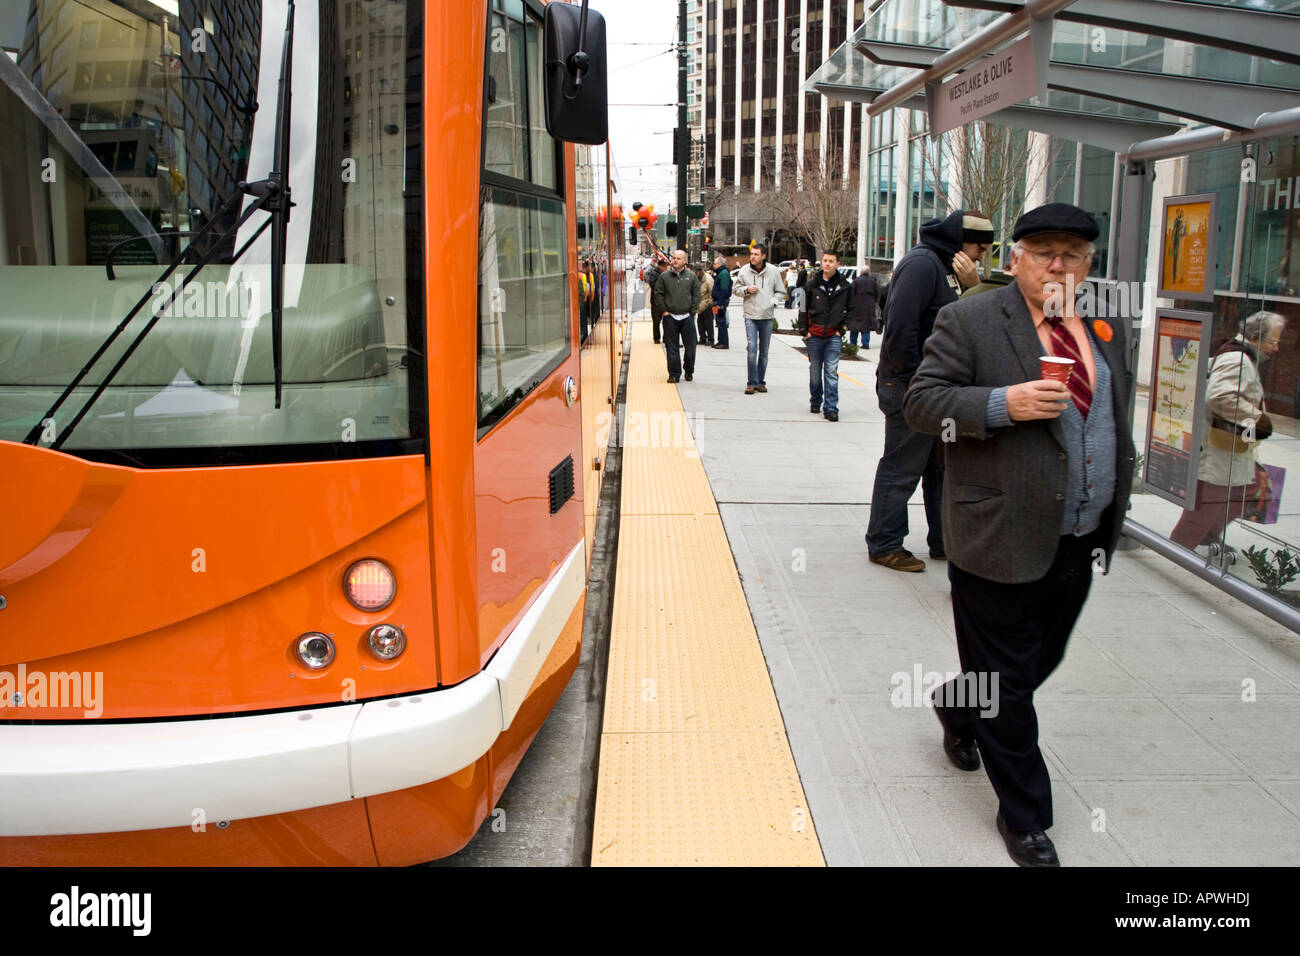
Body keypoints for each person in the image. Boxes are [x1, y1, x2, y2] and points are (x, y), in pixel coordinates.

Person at [904, 202, 1135, 867]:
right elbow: (921, 402)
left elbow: (1113, 415)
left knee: (1039, 662)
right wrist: (1004, 404)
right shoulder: (971, 318)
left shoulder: (1107, 326)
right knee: (1007, 686)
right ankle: (1026, 816)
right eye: (1044, 252)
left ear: (1089, 264)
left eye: (1073, 254)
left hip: (1079, 535)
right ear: (1017, 258)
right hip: (997, 530)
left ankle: (957, 702)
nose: (1058, 265)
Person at [866, 209, 993, 572]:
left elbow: (971, 321)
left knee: (939, 470)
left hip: (936, 390)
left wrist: (972, 285)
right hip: (911, 386)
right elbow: (900, 330)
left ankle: (943, 540)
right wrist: (916, 382)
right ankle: (884, 542)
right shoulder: (923, 265)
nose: (982, 255)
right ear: (960, 242)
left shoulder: (948, 269)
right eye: (979, 247)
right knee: (903, 466)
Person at [1170, 311, 1286, 550]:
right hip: (1218, 450)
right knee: (1207, 503)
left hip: (1227, 448)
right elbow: (1220, 396)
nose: (1276, 348)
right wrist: (1257, 418)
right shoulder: (1238, 359)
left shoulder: (1239, 354)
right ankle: (1178, 549)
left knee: (1249, 487)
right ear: (1254, 337)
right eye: (1272, 342)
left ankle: (1206, 533)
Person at [798, 250, 854, 422]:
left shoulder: (845, 286)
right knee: (815, 371)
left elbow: (851, 309)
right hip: (814, 334)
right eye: (825, 260)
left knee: (831, 371)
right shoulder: (811, 285)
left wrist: (842, 330)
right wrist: (804, 331)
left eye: (831, 261)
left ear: (838, 264)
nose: (827, 264)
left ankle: (831, 408)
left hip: (833, 335)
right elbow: (802, 308)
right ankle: (816, 400)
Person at [733, 243, 787, 394]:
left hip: (767, 316)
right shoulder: (744, 271)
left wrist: (773, 302)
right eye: (752, 254)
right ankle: (751, 382)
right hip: (750, 315)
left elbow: (781, 291)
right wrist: (746, 290)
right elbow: (735, 290)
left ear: (763, 256)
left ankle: (760, 381)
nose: (753, 257)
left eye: (756, 254)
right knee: (752, 348)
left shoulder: (773, 271)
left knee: (764, 351)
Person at [652, 248, 701, 383]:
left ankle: (689, 370)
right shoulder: (664, 277)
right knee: (671, 347)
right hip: (670, 317)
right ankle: (674, 373)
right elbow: (658, 294)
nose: (675, 260)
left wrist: (692, 311)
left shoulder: (691, 277)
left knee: (690, 347)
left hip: (687, 317)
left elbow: (697, 294)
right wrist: (664, 311)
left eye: (678, 258)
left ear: (685, 261)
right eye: (673, 258)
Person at [847, 266, 880, 350]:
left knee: (854, 326)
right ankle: (865, 343)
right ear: (868, 272)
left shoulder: (856, 281)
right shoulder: (873, 282)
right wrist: (873, 302)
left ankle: (853, 344)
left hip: (856, 306)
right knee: (866, 326)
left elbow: (850, 293)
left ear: (861, 272)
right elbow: (877, 293)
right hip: (868, 307)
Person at [710, 254, 732, 349]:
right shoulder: (720, 273)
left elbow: (724, 290)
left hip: (720, 302)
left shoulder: (723, 274)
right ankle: (720, 341)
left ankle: (724, 342)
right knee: (718, 322)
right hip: (717, 301)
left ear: (719, 264)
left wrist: (719, 303)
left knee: (721, 322)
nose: (713, 265)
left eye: (715, 263)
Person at [644, 255, 664, 343]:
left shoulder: (667, 274)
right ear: (660, 267)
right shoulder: (653, 273)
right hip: (655, 302)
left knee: (667, 321)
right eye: (664, 266)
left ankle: (667, 338)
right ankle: (656, 338)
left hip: (665, 301)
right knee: (656, 321)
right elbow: (654, 285)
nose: (666, 268)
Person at [696, 265, 715, 346]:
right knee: (700, 322)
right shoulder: (697, 279)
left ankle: (710, 339)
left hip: (707, 304)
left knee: (708, 323)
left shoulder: (707, 279)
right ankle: (702, 338)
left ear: (699, 271)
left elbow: (712, 292)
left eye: (696, 272)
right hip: (700, 304)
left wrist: (710, 303)